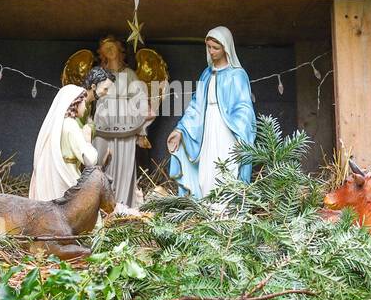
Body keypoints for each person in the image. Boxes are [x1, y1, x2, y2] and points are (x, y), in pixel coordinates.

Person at [167, 26, 256, 198]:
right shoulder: (206, 74)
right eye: (208, 47)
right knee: (207, 168)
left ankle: (227, 207)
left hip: (227, 129)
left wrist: (241, 135)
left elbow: (244, 107)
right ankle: (207, 205)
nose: (211, 51)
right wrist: (180, 130)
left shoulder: (237, 75)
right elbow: (196, 105)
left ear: (226, 48)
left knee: (227, 165)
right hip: (208, 126)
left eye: (216, 48)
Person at [28, 67, 113, 202]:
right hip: (68, 171)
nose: (85, 106)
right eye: (105, 89)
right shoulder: (71, 125)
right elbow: (90, 158)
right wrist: (86, 138)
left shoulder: (62, 123)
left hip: (68, 167)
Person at [90, 36, 154, 209]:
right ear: (101, 53)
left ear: (120, 50)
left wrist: (141, 131)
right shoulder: (99, 74)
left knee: (124, 164)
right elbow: (88, 98)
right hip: (103, 124)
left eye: (112, 47)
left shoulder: (130, 75)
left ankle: (122, 203)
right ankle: (101, 204)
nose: (109, 51)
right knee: (102, 161)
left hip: (125, 125)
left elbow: (141, 102)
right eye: (105, 48)